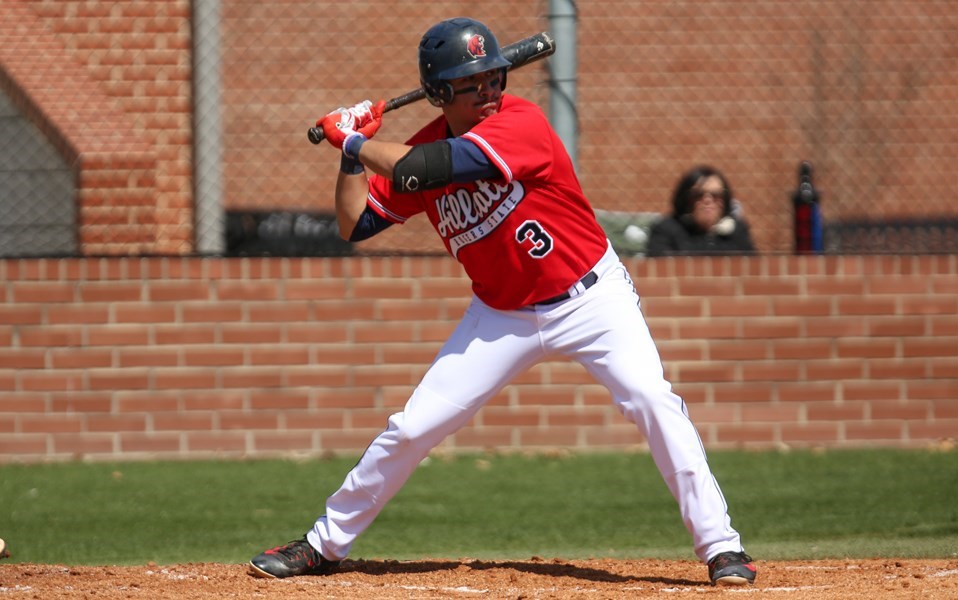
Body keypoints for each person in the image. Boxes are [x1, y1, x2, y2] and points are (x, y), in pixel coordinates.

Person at [249, 17, 756, 587]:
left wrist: (354, 139)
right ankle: (323, 545)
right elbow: (354, 224)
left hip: (591, 299)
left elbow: (431, 169)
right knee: (413, 427)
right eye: (474, 84)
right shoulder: (418, 144)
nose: (491, 92)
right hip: (500, 315)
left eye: (495, 78)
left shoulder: (520, 122)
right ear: (440, 94)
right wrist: (348, 158)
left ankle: (722, 548)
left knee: (652, 399)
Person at [646, 165, 757, 256]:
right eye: (698, 195)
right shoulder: (666, 231)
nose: (708, 201)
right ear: (685, 199)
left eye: (716, 195)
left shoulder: (737, 231)